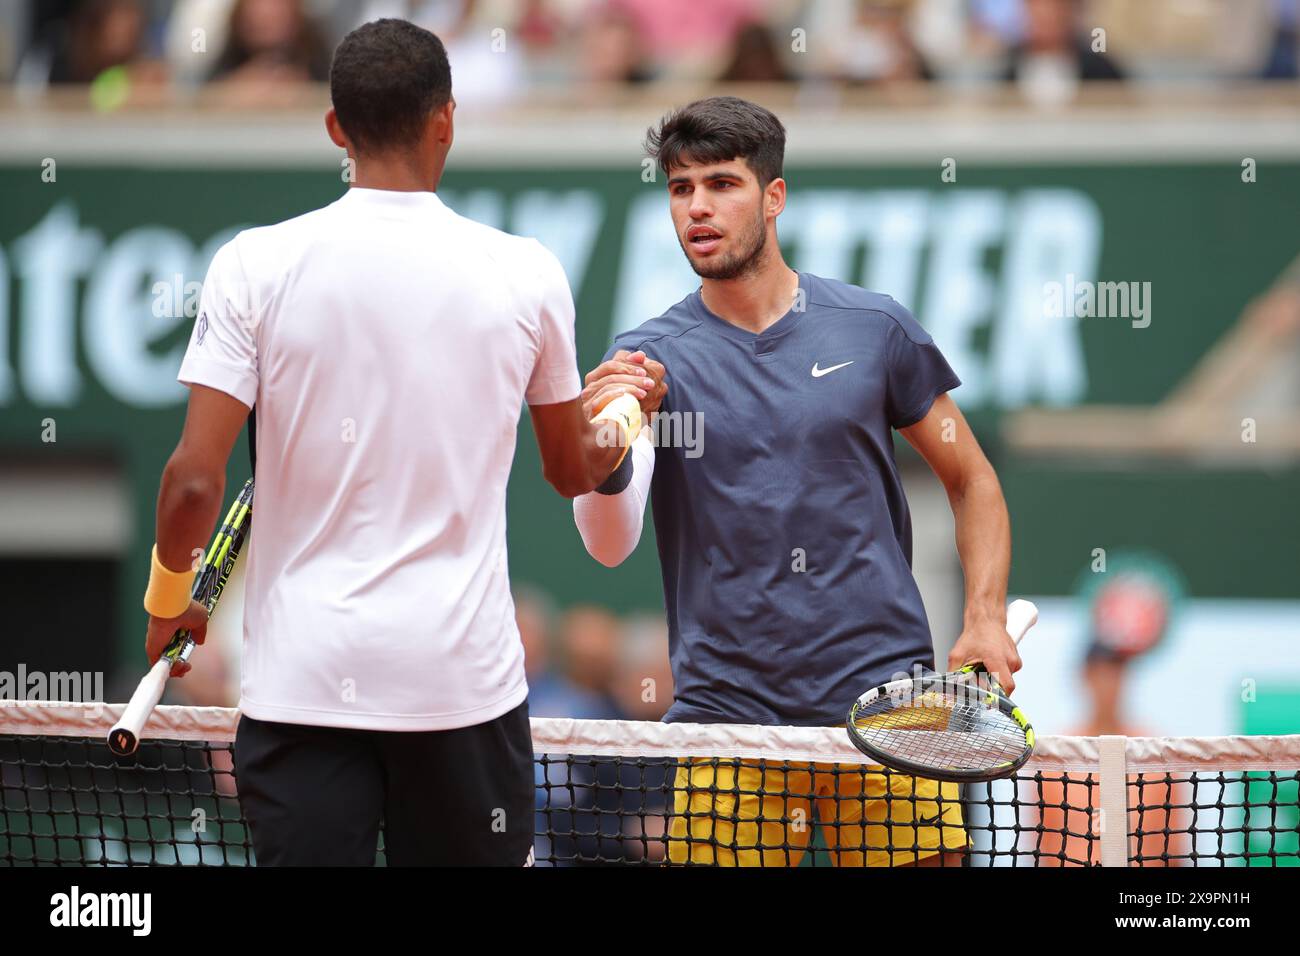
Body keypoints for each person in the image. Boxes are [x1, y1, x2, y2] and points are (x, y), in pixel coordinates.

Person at [141, 18, 633, 866]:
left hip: (299, 695)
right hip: (462, 697)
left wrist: (168, 600)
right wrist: (622, 418)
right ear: (448, 117)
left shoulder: (251, 265)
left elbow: (194, 480)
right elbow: (569, 472)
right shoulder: (527, 272)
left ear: (336, 128)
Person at [572, 95, 1019, 867]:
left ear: (774, 196)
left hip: (889, 706)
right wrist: (598, 448)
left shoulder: (873, 329)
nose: (698, 208)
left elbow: (971, 478)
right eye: (680, 189)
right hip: (726, 716)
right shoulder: (644, 361)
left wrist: (983, 617)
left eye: (721, 184)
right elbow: (608, 541)